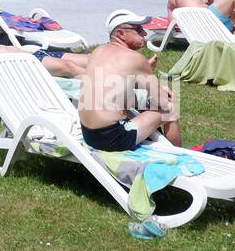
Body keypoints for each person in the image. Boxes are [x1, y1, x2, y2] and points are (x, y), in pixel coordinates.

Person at [77, 10, 180, 151]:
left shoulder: (98, 50)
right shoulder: (134, 58)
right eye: (138, 29)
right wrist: (162, 91)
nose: (144, 33)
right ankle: (178, 153)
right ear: (120, 34)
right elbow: (160, 102)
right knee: (169, 108)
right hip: (113, 138)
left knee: (140, 100)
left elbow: (115, 86)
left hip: (89, 133)